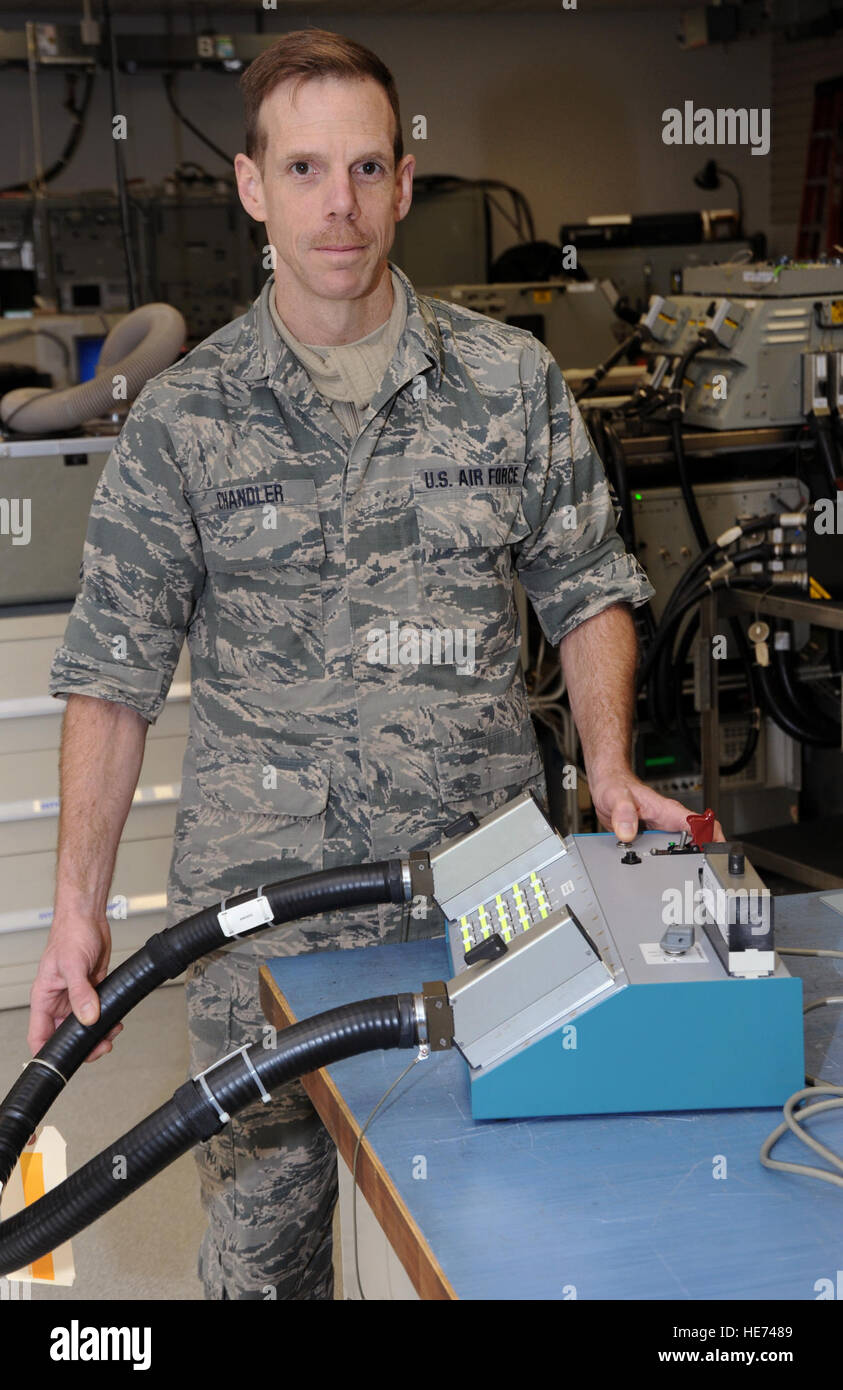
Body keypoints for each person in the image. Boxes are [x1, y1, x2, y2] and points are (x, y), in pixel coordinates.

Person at [29, 28, 716, 1300]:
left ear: (405, 179)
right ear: (251, 187)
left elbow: (590, 590)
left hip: (484, 909)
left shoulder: (508, 383)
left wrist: (613, 768)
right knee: (263, 1266)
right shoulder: (185, 416)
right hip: (263, 940)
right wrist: (79, 911)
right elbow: (111, 675)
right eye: (302, 169)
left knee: (503, 1245)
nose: (336, 208)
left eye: (363, 168)